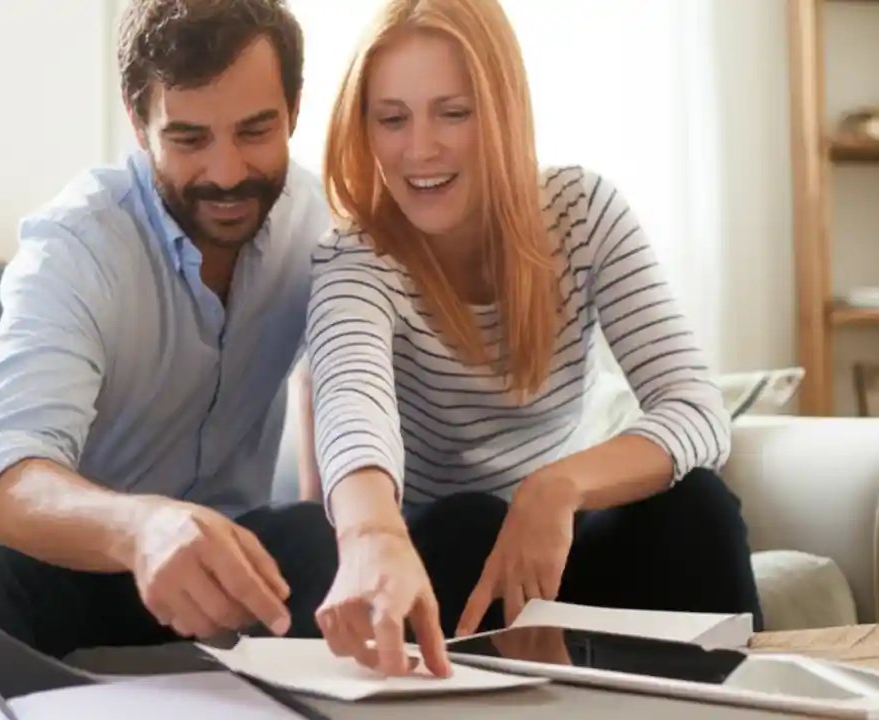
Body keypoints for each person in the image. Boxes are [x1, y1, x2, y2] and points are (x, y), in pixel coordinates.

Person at [300, 0, 763, 679]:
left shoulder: (583, 213)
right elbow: (351, 408)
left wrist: (556, 488)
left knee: (698, 505)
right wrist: (369, 534)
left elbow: (695, 408)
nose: (420, 149)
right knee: (466, 522)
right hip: (448, 571)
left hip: (562, 550)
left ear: (503, 111)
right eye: (392, 119)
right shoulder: (356, 259)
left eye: (453, 113)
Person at [0, 0, 339, 659]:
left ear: (294, 110)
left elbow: (341, 374)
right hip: (83, 569)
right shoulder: (79, 242)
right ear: (138, 121)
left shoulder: (321, 223)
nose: (225, 173)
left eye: (254, 132)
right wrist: (143, 528)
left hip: (234, 578)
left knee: (334, 537)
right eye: (189, 139)